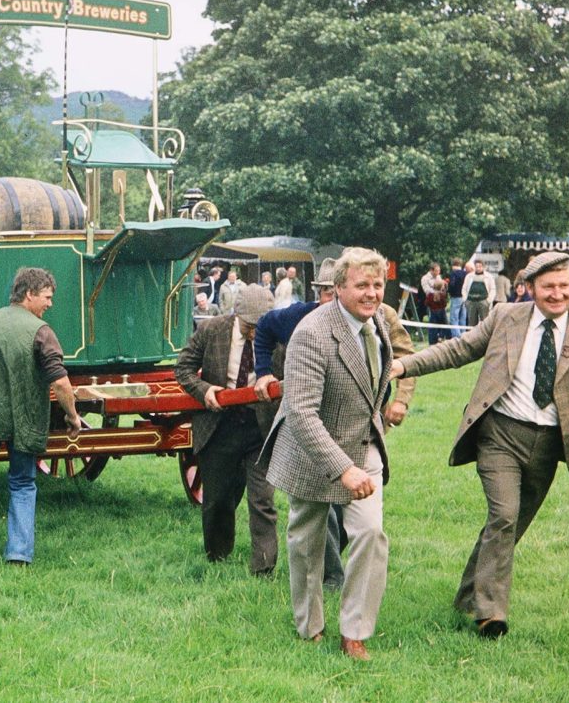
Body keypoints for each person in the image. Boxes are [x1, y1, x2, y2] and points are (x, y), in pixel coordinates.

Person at [390, 252, 569, 639]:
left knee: (510, 526)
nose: (557, 294)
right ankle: (491, 615)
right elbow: (457, 349)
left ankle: (467, 597)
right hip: (500, 435)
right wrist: (404, 365)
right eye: (548, 287)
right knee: (503, 515)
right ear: (529, 289)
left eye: (564, 286)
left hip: (549, 444)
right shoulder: (505, 318)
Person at [262, 248, 395, 661]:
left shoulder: (379, 325)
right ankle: (310, 627)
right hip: (311, 450)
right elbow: (300, 412)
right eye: (362, 285)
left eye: (377, 285)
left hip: (363, 446)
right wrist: (342, 469)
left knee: (371, 533)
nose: (371, 294)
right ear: (337, 289)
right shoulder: (312, 332)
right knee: (307, 542)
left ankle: (354, 632)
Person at [254, 256, 415, 591]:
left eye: (375, 286)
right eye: (325, 292)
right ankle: (327, 582)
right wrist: (264, 371)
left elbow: (406, 356)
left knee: (363, 525)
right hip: (312, 436)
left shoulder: (382, 317)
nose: (329, 299)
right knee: (315, 520)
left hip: (362, 432)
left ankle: (353, 621)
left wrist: (400, 399)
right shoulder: (303, 321)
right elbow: (265, 329)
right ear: (329, 290)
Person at [0, 267, 81, 565]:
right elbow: (60, 382)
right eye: (47, 297)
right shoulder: (41, 332)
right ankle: (19, 553)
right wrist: (73, 417)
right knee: (22, 482)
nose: (50, 304)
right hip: (26, 421)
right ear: (29, 294)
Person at [175, 284, 279, 576]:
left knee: (263, 500)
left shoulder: (279, 338)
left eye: (262, 326)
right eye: (249, 326)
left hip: (260, 428)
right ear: (235, 314)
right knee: (218, 500)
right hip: (220, 426)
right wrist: (205, 390)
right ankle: (217, 559)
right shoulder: (212, 331)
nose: (256, 334)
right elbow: (182, 368)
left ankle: (264, 568)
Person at [462, 260, 496, 327]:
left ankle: (485, 337)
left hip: (483, 302)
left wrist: (488, 301)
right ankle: (471, 337)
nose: (478, 268)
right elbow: (464, 288)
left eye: (480, 266)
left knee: (485, 322)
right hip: (471, 302)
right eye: (476, 266)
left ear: (483, 267)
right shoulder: (469, 276)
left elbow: (492, 289)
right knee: (471, 323)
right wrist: (465, 300)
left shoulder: (489, 277)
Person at [448, 258, 468, 335]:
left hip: (456, 297)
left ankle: (456, 336)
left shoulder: (453, 273)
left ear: (453, 265)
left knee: (454, 318)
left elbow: (452, 285)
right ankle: (463, 334)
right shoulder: (465, 273)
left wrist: (449, 291)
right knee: (463, 317)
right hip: (464, 297)